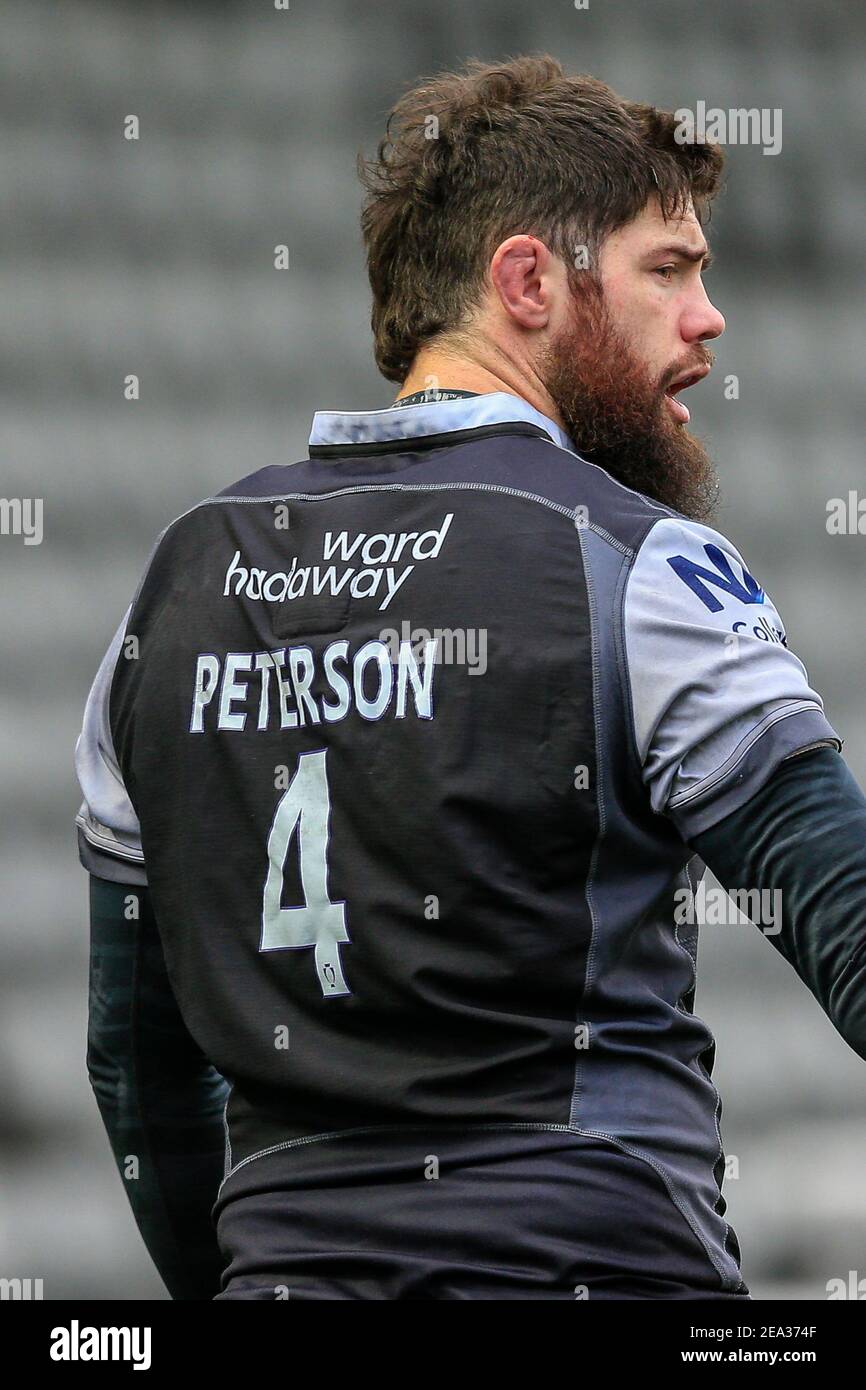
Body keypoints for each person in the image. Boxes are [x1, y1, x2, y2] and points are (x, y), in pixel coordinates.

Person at [75, 55, 865, 1300]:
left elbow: (135, 1069)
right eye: (668, 268)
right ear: (528, 280)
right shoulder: (635, 566)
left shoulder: (171, 592)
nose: (707, 315)